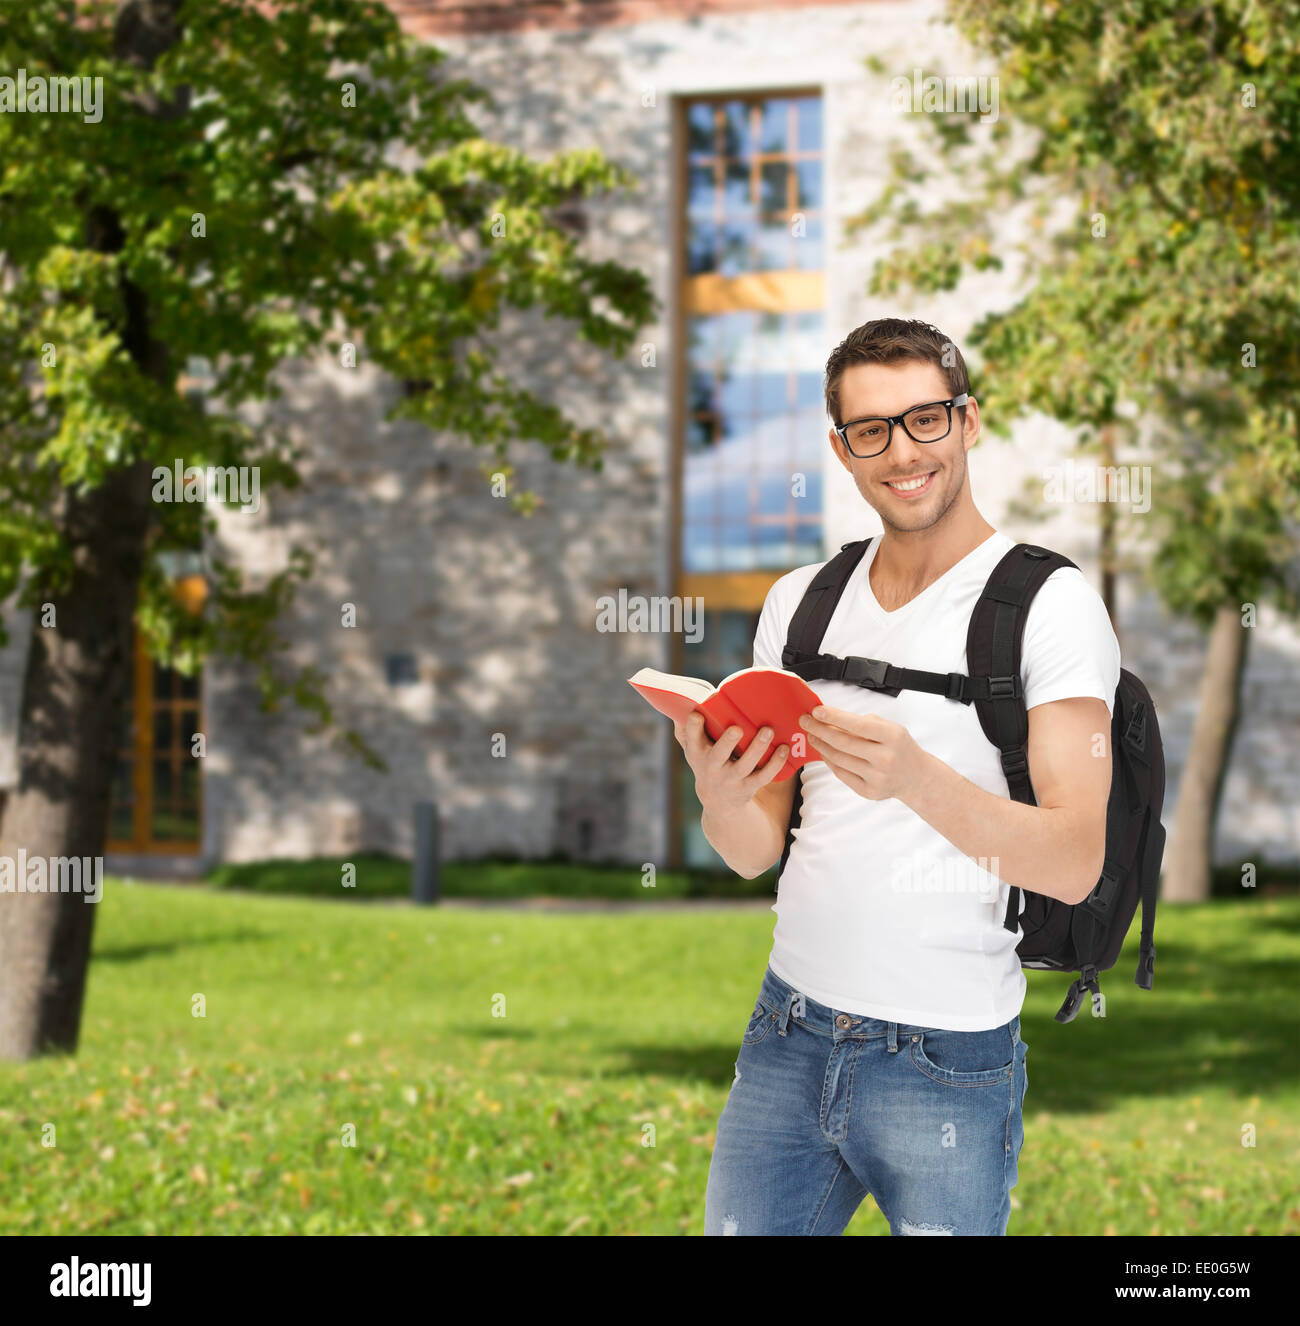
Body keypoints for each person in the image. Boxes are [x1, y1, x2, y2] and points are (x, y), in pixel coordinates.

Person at [679, 318, 1120, 1236]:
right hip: (787, 1033)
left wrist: (917, 778)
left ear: (967, 421)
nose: (903, 451)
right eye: (872, 430)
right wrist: (720, 795)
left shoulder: (1050, 607)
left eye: (925, 419)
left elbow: (1077, 859)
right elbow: (755, 851)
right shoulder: (800, 603)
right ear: (842, 450)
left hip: (946, 1059)